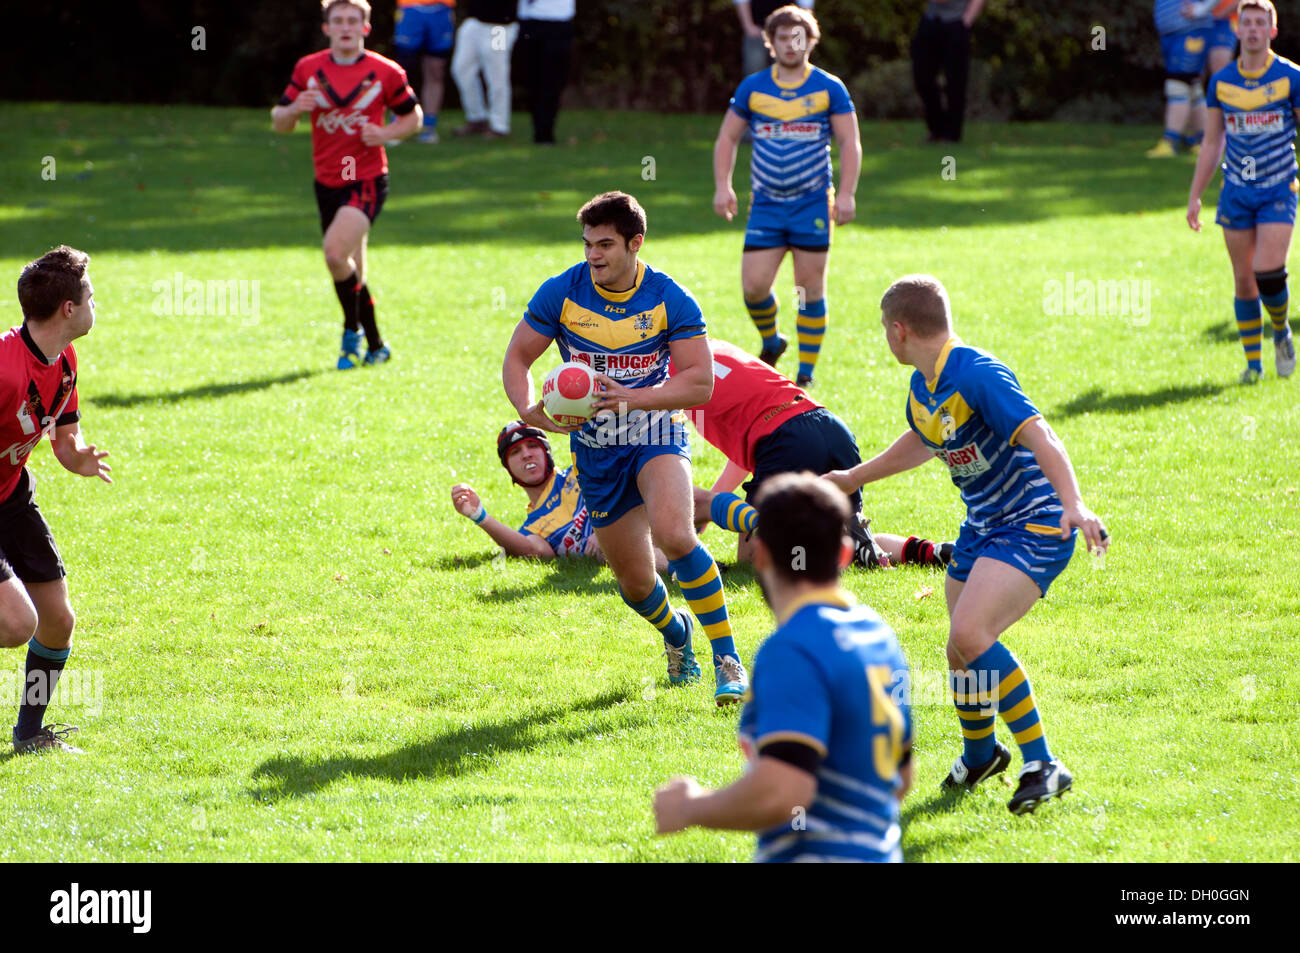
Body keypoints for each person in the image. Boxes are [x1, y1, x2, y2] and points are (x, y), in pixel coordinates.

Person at [826, 275, 1110, 815]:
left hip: (1034, 522)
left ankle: (1043, 763)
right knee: (960, 649)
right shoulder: (923, 385)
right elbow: (922, 441)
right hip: (983, 526)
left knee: (972, 634)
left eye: (885, 332)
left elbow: (1042, 434)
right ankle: (981, 753)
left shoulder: (977, 373)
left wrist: (1074, 504)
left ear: (898, 329)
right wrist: (848, 477)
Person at [502, 191, 749, 706]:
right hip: (594, 450)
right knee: (636, 584)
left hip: (656, 431)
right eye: (588, 243)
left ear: (636, 243)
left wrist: (634, 399)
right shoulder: (563, 292)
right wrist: (529, 410)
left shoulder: (670, 299)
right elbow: (518, 357)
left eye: (607, 244)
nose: (594, 254)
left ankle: (728, 660)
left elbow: (700, 384)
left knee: (676, 535)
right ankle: (678, 634)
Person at [653, 473, 914, 862]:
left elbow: (785, 792)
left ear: (760, 555)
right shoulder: (880, 637)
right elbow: (902, 778)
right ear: (844, 553)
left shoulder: (793, 650)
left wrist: (692, 807)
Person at [673, 337, 952, 570]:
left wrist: (703, 508)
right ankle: (926, 552)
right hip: (829, 427)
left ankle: (844, 545)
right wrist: (710, 509)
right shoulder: (713, 346)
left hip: (785, 441)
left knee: (754, 562)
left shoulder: (663, 375)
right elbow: (743, 452)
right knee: (837, 538)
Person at [1, 246, 113, 755]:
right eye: (90, 296)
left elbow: (63, 441)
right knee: (15, 623)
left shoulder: (65, 361)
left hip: (12, 498)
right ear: (68, 308)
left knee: (58, 621)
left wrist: (79, 457)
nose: (95, 305)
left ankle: (29, 734)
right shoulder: (4, 367)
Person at [714, 4, 861, 389]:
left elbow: (849, 142)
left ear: (811, 40)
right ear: (771, 42)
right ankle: (772, 341)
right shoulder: (753, 87)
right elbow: (728, 137)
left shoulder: (830, 87)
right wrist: (722, 186)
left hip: (812, 202)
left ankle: (806, 376)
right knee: (753, 288)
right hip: (766, 204)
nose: (791, 44)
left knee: (809, 289)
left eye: (798, 36)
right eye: (782, 37)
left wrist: (846, 194)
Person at [273, 1, 421, 371]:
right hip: (326, 180)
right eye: (337, 21)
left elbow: (413, 116)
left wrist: (386, 133)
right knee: (350, 265)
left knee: (335, 255)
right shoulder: (309, 68)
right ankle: (376, 345)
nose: (344, 27)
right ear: (326, 28)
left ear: (365, 28)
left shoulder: (385, 71)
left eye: (352, 21)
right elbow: (279, 121)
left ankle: (349, 331)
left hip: (365, 178)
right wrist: (294, 111)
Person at [450, 421, 757, 570]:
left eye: (532, 446)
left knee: (682, 495)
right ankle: (706, 568)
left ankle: (763, 523)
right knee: (612, 545)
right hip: (622, 544)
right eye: (516, 453)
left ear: (547, 452)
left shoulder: (578, 469)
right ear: (508, 470)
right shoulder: (536, 525)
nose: (526, 455)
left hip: (640, 511)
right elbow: (532, 552)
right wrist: (480, 516)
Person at [1187, 0, 1298, 383]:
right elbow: (1212, 142)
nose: (1252, 29)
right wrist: (1195, 194)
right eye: (1246, 22)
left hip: (1279, 188)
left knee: (1267, 271)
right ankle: (1253, 365)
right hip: (1236, 190)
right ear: (1237, 29)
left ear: (1271, 31)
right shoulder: (1222, 82)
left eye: (1259, 23)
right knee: (1243, 278)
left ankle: (1281, 331)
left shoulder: (1290, 77)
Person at [911, 1, 985, 145]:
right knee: (922, 76)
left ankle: (952, 134)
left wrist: (966, 21)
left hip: (956, 22)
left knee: (956, 82)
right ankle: (936, 129)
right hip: (931, 20)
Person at [1147, 0, 1215, 157]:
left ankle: (1170, 142)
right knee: (1192, 87)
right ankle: (1203, 142)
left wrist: (1202, 9)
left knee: (1178, 83)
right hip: (1174, 32)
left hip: (1190, 28)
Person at [450, 0, 518, 139]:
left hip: (499, 28)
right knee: (461, 69)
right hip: (475, 23)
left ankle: (499, 125)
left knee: (496, 75)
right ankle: (476, 117)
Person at [394, 0, 456, 144]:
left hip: (442, 10)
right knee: (402, 72)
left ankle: (429, 127)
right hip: (410, 8)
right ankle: (397, 124)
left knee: (436, 70)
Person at [517, 0, 575, 146]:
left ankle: (546, 133)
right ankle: (538, 130)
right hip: (529, 22)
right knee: (531, 80)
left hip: (558, 21)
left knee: (553, 81)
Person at [733, 0, 814, 77]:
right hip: (757, 32)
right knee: (754, 68)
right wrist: (748, 26)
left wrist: (801, 29)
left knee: (790, 71)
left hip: (791, 32)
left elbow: (806, 4)